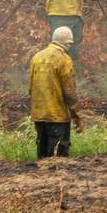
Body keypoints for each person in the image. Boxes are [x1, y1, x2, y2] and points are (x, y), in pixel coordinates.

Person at [29, 25, 83, 158]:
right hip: (58, 117)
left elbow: (31, 88)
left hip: (39, 116)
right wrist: (76, 116)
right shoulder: (64, 60)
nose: (70, 47)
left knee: (42, 156)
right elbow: (70, 92)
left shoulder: (36, 57)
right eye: (70, 44)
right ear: (67, 43)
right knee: (58, 158)